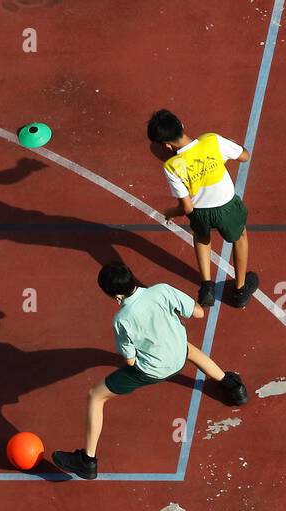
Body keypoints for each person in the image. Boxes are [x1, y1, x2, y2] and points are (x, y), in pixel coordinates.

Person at [52, 262, 248, 480]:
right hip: (179, 353)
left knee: (95, 397)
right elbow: (199, 313)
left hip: (153, 371)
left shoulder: (121, 319)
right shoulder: (162, 290)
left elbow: (129, 360)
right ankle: (233, 387)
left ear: (116, 296)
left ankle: (87, 461)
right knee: (190, 350)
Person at [148, 108, 259, 308]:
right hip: (227, 206)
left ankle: (207, 287)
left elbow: (187, 207)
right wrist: (228, 150)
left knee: (201, 237)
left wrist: (170, 213)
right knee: (240, 237)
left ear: (166, 145)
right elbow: (244, 156)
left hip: (200, 213)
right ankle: (241, 290)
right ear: (181, 124)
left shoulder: (172, 166)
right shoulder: (211, 141)